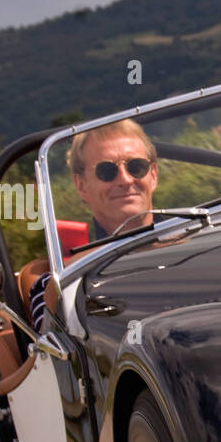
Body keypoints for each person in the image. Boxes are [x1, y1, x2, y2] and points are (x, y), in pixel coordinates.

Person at [27, 119, 157, 327]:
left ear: (153, 175)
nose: (125, 180)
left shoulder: (203, 241)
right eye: (106, 172)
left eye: (136, 167)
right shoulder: (61, 284)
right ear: (82, 186)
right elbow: (54, 357)